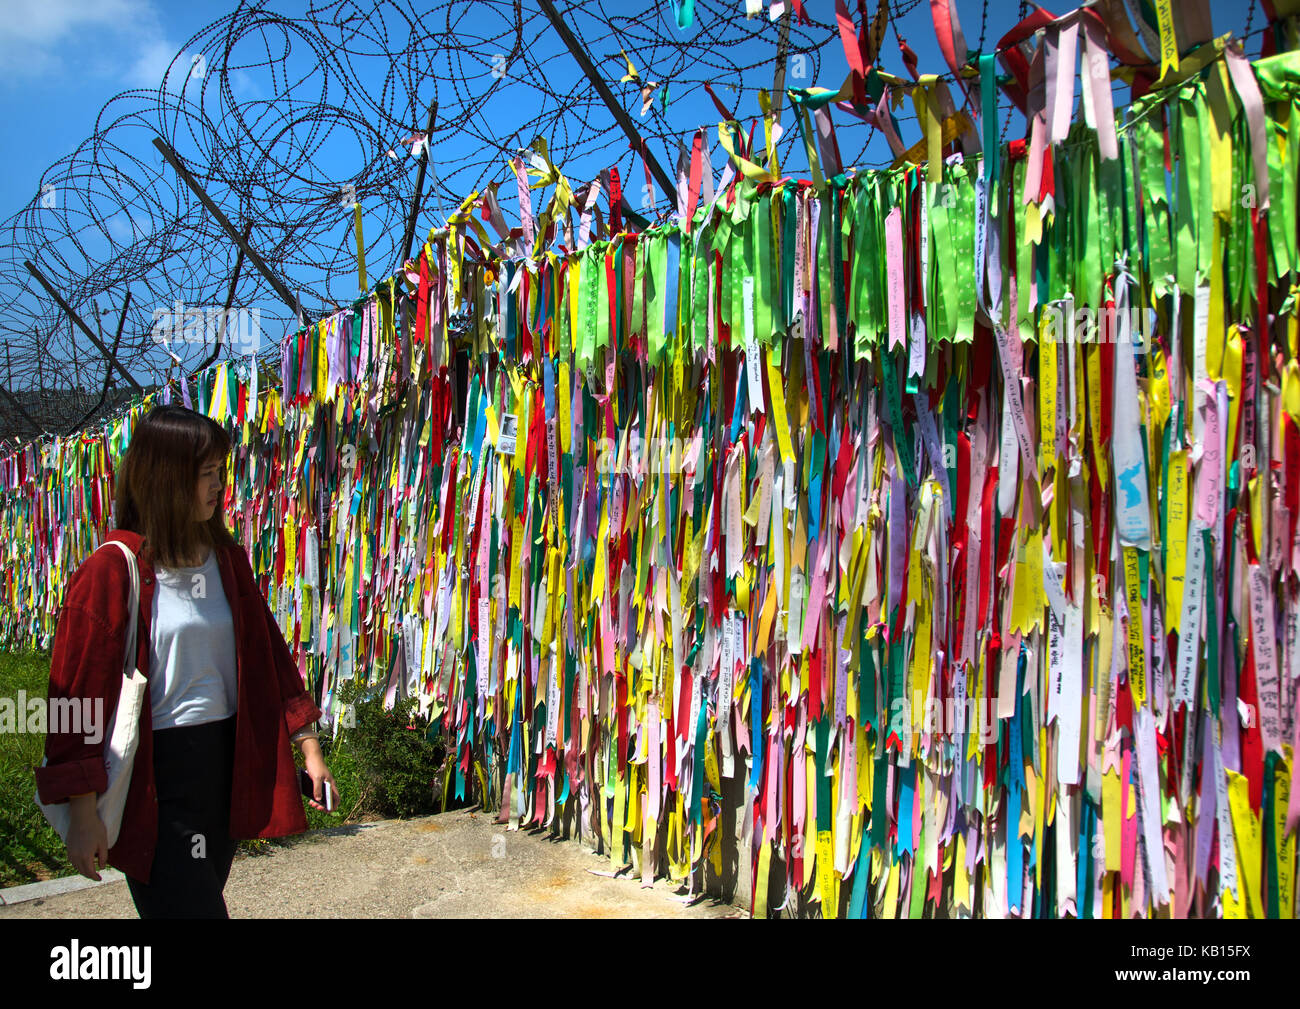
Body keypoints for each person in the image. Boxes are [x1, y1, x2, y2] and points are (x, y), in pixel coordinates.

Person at [35, 404, 337, 918]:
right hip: (156, 781)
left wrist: (309, 748)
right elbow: (77, 694)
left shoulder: (225, 560)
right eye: (206, 474)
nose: (219, 486)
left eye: (221, 471)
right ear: (166, 478)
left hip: (227, 769)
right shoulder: (110, 571)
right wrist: (82, 811)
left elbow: (270, 656)